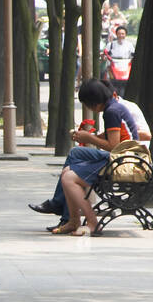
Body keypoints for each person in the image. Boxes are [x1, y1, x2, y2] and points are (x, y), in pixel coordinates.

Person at [32, 78, 141, 235]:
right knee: (74, 156)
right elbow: (116, 137)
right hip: (124, 157)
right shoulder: (115, 107)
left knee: (68, 177)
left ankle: (91, 222)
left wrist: (88, 138)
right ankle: (72, 219)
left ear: (94, 103)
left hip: (123, 161)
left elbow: (114, 147)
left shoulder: (111, 112)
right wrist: (92, 136)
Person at [103, 23, 136, 94]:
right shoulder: (110, 45)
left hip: (125, 66)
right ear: (116, 34)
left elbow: (133, 54)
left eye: (123, 34)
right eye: (119, 33)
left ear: (125, 35)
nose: (121, 35)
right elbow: (105, 54)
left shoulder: (129, 45)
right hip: (113, 66)